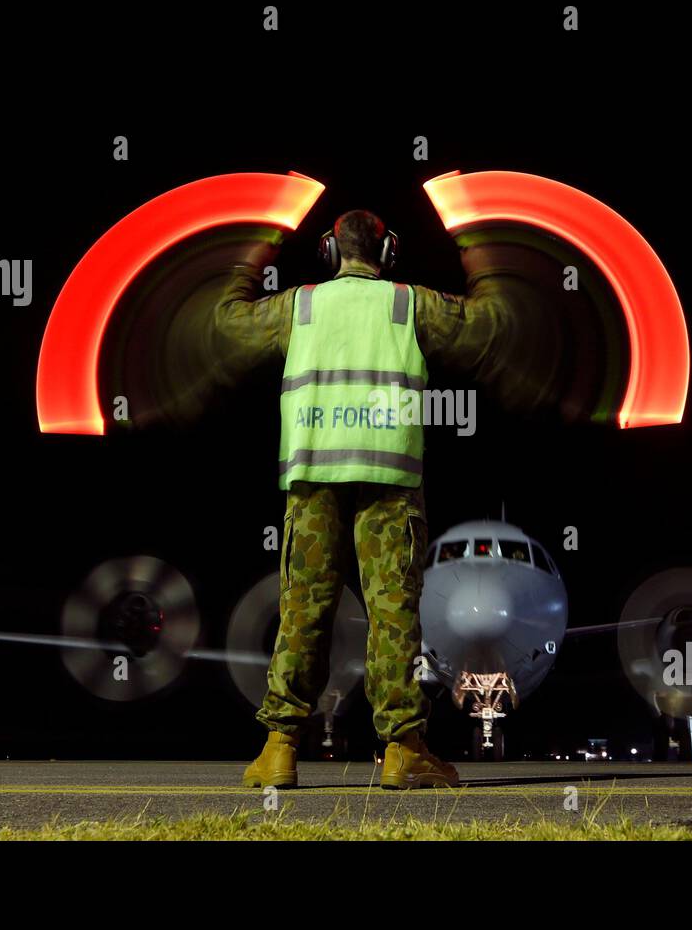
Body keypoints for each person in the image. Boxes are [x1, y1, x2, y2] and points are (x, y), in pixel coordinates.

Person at [216, 209, 503, 788]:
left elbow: (228, 324)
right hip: (389, 478)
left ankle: (278, 750)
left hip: (314, 475)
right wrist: (481, 254)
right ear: (388, 251)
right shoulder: (409, 304)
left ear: (329, 250)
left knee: (302, 608)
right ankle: (403, 751)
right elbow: (488, 324)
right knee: (392, 613)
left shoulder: (298, 306)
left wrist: (256, 253)